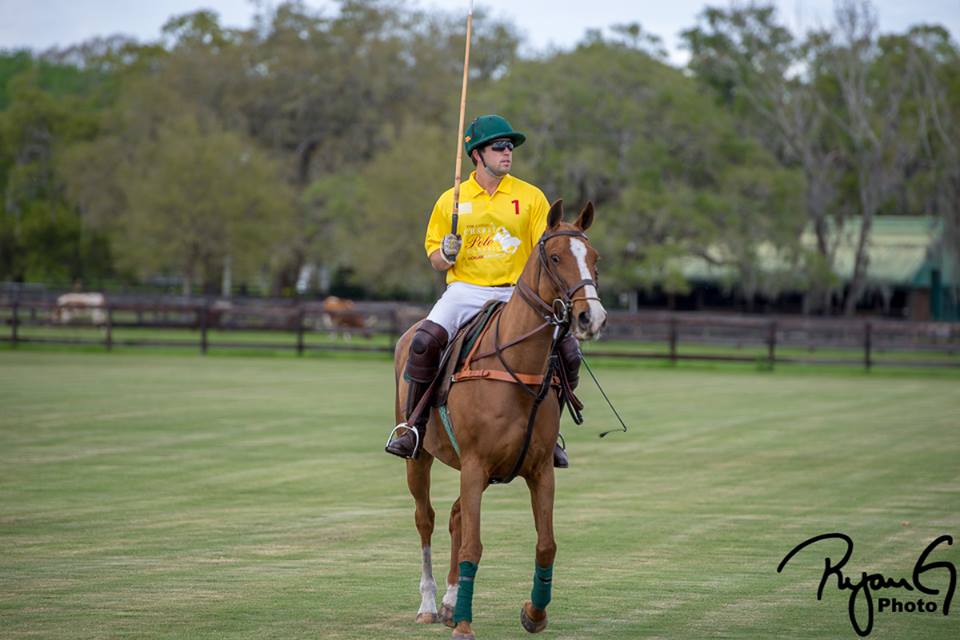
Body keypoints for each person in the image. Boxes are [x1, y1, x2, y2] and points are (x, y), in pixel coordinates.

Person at [384, 114, 581, 466]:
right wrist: (445, 254)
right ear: (477, 154)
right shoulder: (452, 200)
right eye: (499, 147)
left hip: (517, 295)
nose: (508, 153)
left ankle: (550, 435)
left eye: (510, 147)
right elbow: (434, 257)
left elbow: (546, 250)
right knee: (423, 341)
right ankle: (413, 428)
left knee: (568, 351)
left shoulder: (530, 196)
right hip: (466, 290)